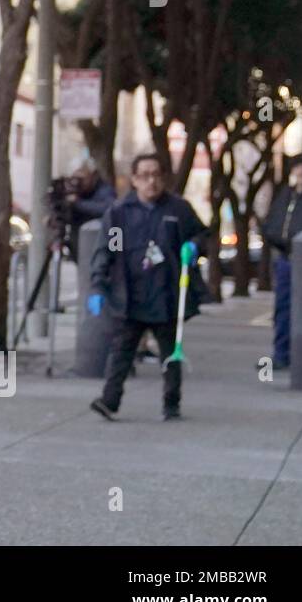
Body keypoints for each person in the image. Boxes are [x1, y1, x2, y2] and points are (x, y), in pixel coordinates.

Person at [87, 153, 208, 421]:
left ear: (163, 178)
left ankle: (171, 403)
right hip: (131, 294)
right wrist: (98, 286)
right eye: (144, 176)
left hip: (166, 294)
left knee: (170, 352)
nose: (151, 181)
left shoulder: (178, 210)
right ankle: (110, 400)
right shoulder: (120, 213)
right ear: (134, 180)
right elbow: (107, 250)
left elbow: (202, 235)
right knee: (121, 352)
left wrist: (195, 246)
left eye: (156, 175)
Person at [261, 158, 302, 371]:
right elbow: (273, 221)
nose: (301, 171)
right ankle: (281, 353)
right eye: (297, 167)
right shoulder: (286, 194)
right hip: (284, 258)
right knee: (282, 307)